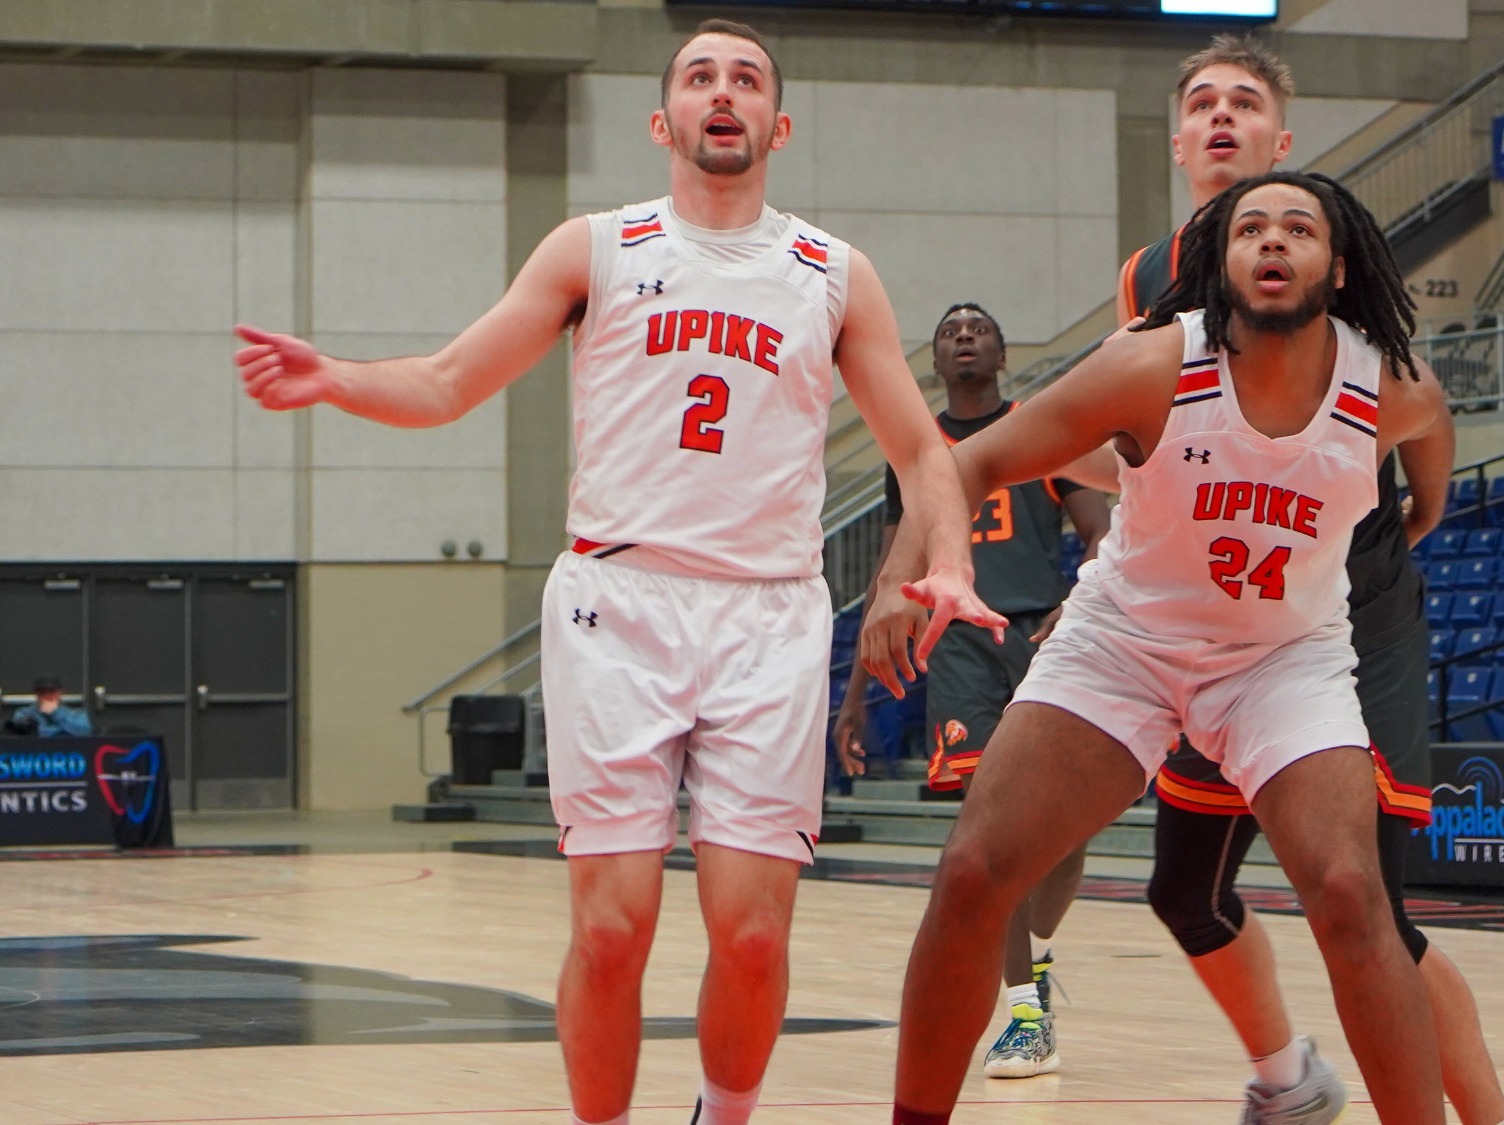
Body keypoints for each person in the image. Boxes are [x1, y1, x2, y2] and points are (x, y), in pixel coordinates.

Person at [233, 19, 1003, 1125]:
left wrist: (952, 559)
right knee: (609, 928)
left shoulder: (831, 274)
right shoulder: (594, 248)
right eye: (699, 78)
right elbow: (451, 379)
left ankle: (722, 1114)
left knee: (749, 936)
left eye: (744, 80)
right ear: (664, 120)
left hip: (765, 617)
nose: (721, 94)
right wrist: (335, 379)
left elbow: (923, 449)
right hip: (616, 608)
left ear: (777, 124)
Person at [880, 170, 1448, 1125]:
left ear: (1338, 266)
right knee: (977, 870)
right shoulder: (1150, 363)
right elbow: (967, 458)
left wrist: (1425, 505)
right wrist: (928, 564)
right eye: (1250, 228)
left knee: (1352, 893)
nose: (1272, 241)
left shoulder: (1386, 382)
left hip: (1283, 659)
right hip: (1127, 641)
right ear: (1221, 267)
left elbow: (1434, 425)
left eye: (1298, 228)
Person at [1117, 34, 1504, 1125]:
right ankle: (1288, 1080)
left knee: (1372, 903)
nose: (1219, 117)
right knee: (1180, 891)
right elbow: (1132, 429)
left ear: (1278, 140)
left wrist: (1423, 498)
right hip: (1216, 607)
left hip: (1343, 605)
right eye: (1199, 101)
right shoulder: (1148, 277)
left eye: (1243, 102)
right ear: (1180, 138)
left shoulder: (1327, 246)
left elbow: (1417, 394)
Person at [833, 302, 1111, 1079]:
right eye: (949, 328)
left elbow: (1101, 530)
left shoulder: (1042, 430)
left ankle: (1039, 962)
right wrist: (856, 693)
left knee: (1063, 832)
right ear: (932, 358)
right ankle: (1026, 1015)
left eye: (978, 326)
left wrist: (1079, 598)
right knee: (991, 839)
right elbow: (893, 569)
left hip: (1038, 635)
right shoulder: (914, 450)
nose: (963, 334)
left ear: (1000, 350)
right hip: (957, 640)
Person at [5, 677, 92, 738]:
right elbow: (23, 733)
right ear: (36, 694)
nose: (47, 695)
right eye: (42, 692)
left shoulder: (76, 714)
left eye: (51, 691)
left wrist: (55, 712)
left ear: (60, 693)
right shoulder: (23, 713)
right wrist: (62, 732)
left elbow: (84, 731)